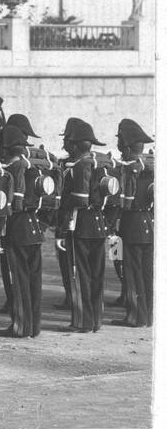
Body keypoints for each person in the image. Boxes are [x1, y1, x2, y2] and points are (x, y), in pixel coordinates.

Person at [57, 118, 109, 333]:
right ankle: (96, 319)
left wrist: (62, 209)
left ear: (76, 145)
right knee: (97, 274)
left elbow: (78, 199)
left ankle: (82, 321)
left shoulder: (78, 167)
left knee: (80, 274)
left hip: (79, 225)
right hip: (99, 223)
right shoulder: (101, 165)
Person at [0, 124, 47, 338]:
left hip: (16, 229)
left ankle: (20, 326)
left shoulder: (8, 172)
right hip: (34, 227)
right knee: (33, 281)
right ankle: (33, 326)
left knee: (18, 280)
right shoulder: (33, 168)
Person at [112, 119, 153, 328]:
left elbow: (120, 201)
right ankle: (147, 316)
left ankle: (135, 316)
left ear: (126, 145)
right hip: (148, 224)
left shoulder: (127, 169)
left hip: (131, 225)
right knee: (146, 273)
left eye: (120, 140)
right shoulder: (149, 167)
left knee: (131, 271)